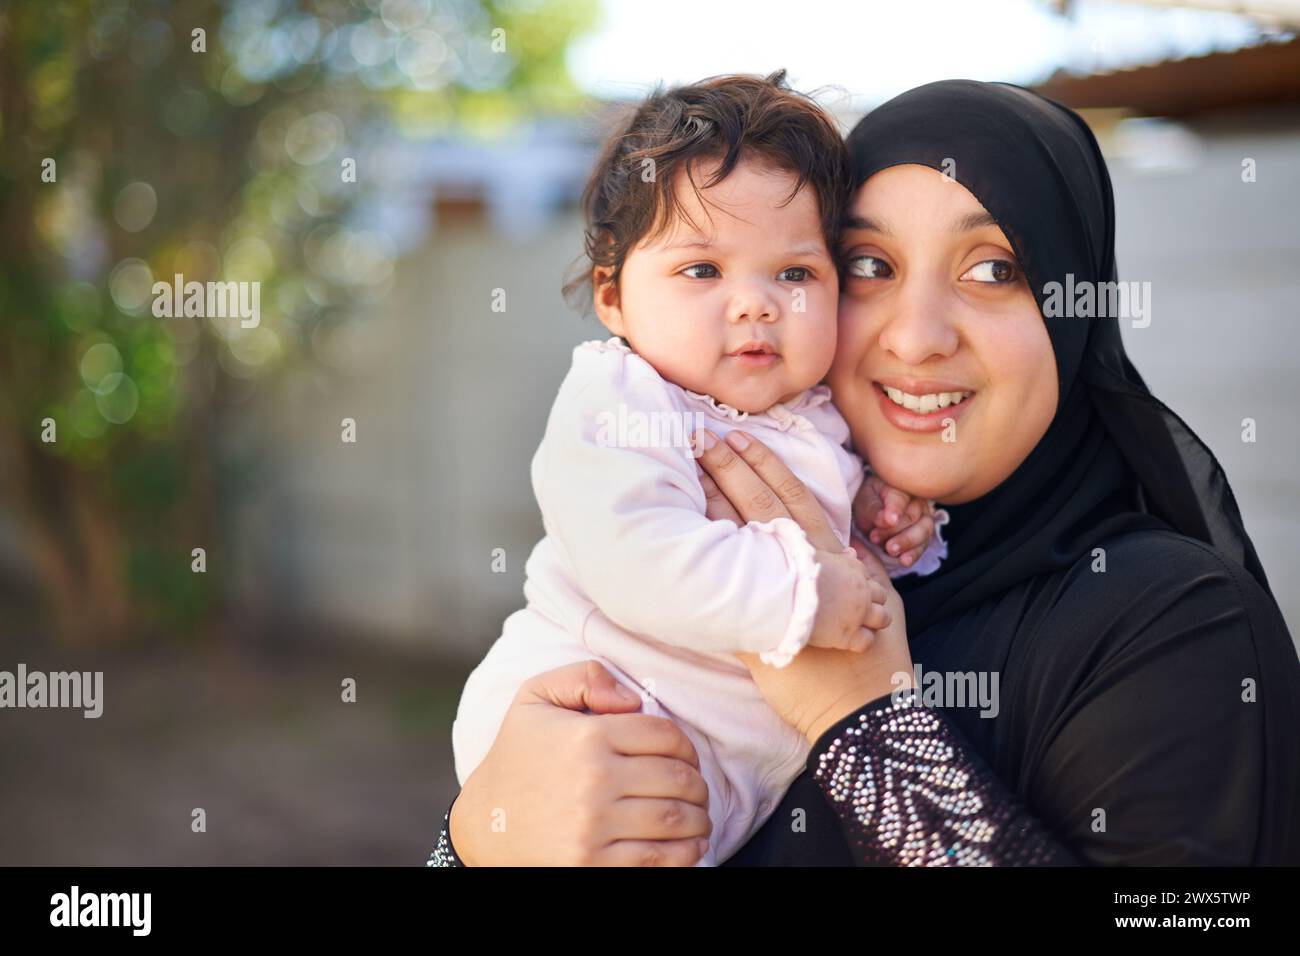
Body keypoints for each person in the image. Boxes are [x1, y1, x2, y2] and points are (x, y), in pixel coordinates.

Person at [428, 79, 1300, 867]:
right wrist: (476, 837)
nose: (917, 336)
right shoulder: (759, 511)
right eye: (868, 266)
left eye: (994, 270)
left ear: (1074, 307)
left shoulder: (1176, 625)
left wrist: (860, 721)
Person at [448, 71, 945, 867]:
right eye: (702, 271)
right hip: (597, 713)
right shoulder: (622, 399)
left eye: (795, 273)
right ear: (613, 297)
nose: (754, 304)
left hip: (717, 775)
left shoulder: (818, 414)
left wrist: (888, 526)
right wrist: (804, 593)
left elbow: (833, 548)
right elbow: (637, 557)